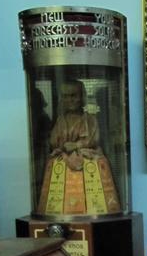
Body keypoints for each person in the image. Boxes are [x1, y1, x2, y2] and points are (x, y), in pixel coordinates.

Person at [37, 79, 120, 215]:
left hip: (88, 162)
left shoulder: (89, 119)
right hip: (62, 164)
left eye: (74, 96)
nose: (70, 100)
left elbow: (94, 138)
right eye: (65, 96)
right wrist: (63, 146)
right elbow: (53, 140)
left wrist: (77, 145)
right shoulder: (61, 120)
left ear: (82, 97)